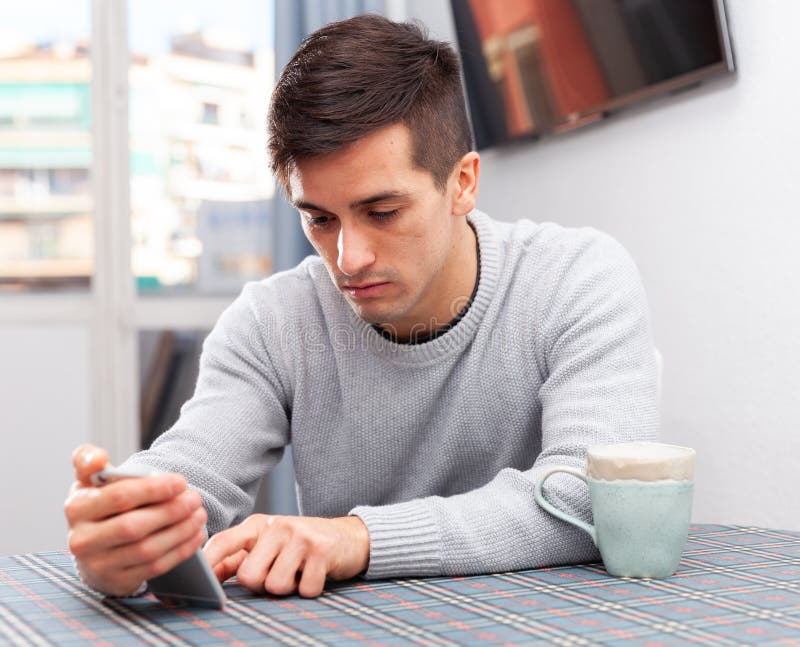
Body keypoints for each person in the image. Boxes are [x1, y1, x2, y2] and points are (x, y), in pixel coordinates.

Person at [65, 14, 657, 599]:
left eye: (382, 212)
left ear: (463, 183)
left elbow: (589, 492)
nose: (348, 258)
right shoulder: (273, 322)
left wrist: (360, 539)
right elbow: (191, 470)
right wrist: (122, 530)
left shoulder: (577, 278)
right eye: (319, 219)